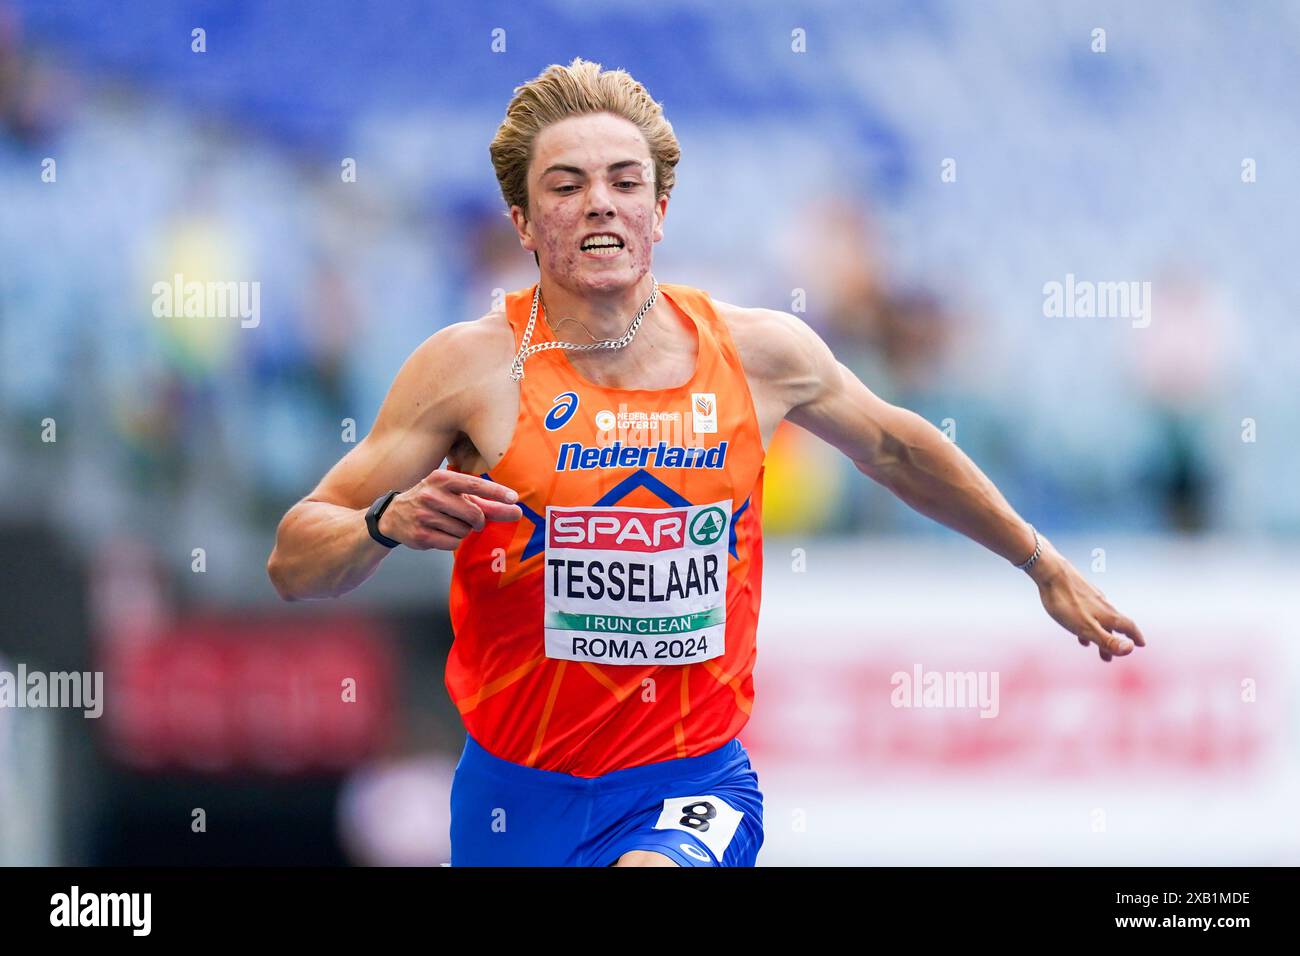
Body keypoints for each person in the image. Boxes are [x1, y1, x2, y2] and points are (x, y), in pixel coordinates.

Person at [266, 58, 1146, 867]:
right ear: (524, 221)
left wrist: (1040, 561)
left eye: (625, 182)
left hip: (690, 781)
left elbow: (894, 446)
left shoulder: (760, 354)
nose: (600, 204)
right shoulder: (468, 369)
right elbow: (293, 561)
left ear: (659, 211)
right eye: (566, 185)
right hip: (513, 797)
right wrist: (383, 523)